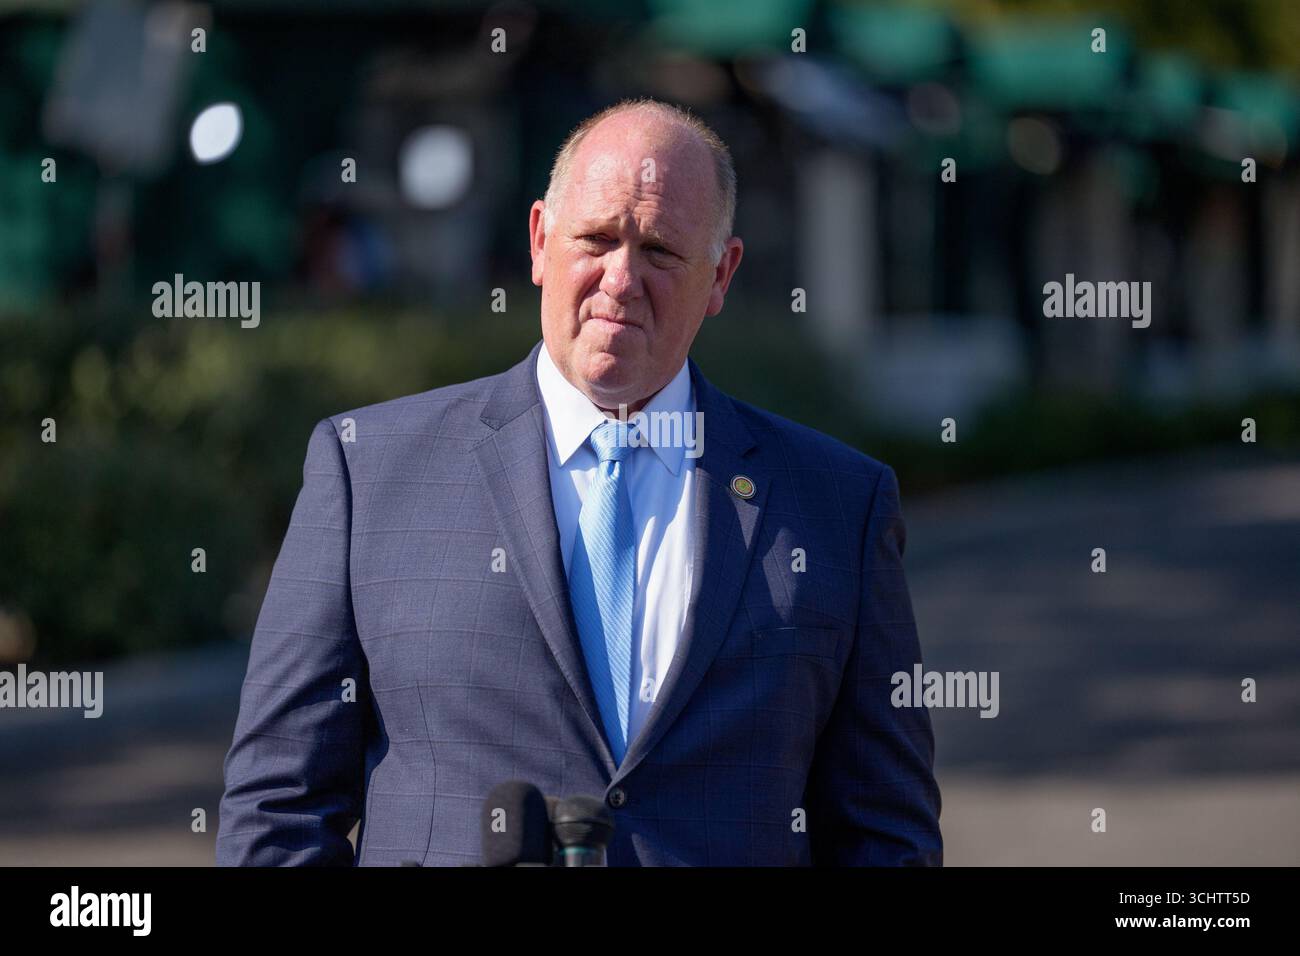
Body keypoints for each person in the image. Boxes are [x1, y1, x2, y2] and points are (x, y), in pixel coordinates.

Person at [216, 98, 941, 866]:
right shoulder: (368, 469)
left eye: (660, 250)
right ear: (539, 241)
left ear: (721, 273)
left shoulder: (836, 504)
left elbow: (885, 835)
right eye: (596, 239)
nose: (621, 279)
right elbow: (279, 806)